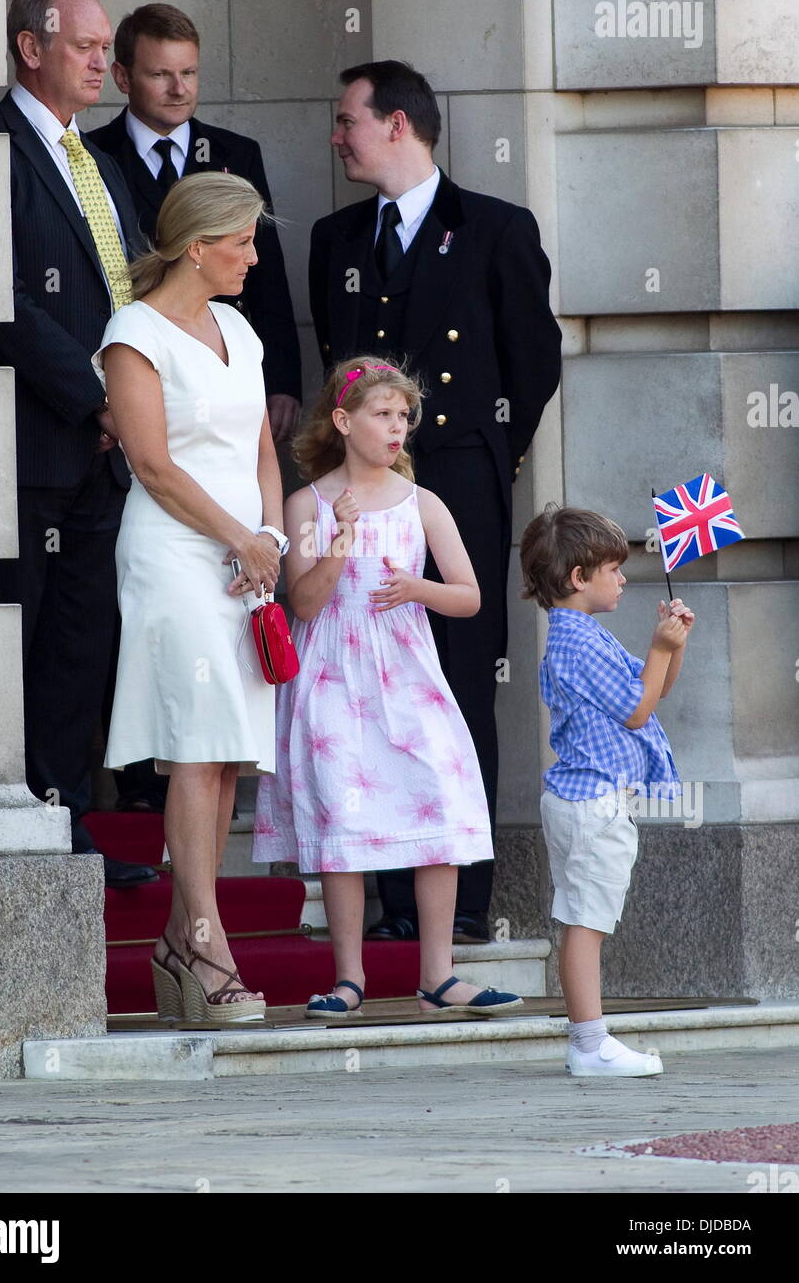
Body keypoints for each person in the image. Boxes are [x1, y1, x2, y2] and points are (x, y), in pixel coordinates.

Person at [310, 60, 562, 943]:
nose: (336, 137)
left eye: (347, 121)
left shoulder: (493, 227)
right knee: (364, 683)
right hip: (361, 494)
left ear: (398, 125)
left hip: (454, 480)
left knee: (454, 682)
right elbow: (337, 374)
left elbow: (533, 361)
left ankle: (464, 906)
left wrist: (489, 458)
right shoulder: (334, 238)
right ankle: (386, 910)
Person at [0, 0, 154, 888]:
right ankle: (15, 820)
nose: (103, 62)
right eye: (85, 45)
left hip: (107, 456)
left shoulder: (102, 162)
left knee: (86, 642)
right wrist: (94, 394)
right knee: (24, 639)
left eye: (107, 46)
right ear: (31, 49)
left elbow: (124, 292)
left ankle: (70, 819)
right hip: (24, 452)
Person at [253, 358, 523, 1018]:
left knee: (436, 796)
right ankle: (349, 977)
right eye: (381, 414)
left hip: (406, 678)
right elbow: (307, 604)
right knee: (344, 815)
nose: (396, 427)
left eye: (403, 415)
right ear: (343, 422)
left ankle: (439, 972)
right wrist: (340, 543)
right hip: (332, 679)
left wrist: (415, 588)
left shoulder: (421, 503)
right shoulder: (306, 503)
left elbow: (468, 596)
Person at [93, 171, 287, 1024]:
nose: (252, 256)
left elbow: (263, 451)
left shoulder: (238, 327)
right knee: (193, 746)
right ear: (198, 245)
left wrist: (271, 540)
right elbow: (153, 465)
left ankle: (183, 941)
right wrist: (237, 538)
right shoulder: (134, 331)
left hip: (244, 563)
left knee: (225, 755)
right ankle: (207, 946)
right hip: (175, 554)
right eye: (241, 241)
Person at [520, 506, 694, 1076]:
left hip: (589, 800)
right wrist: (661, 648)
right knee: (586, 924)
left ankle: (589, 1042)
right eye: (614, 568)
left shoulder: (583, 634)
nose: (622, 578)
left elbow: (651, 691)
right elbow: (639, 712)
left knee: (584, 919)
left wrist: (672, 644)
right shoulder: (576, 642)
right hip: (593, 803)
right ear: (577, 578)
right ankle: (590, 1045)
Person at [88, 2, 301, 439]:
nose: (179, 88)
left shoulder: (236, 154)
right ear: (123, 77)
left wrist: (282, 381)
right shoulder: (93, 156)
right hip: (134, 356)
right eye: (160, 74)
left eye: (189, 73)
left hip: (220, 360)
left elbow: (268, 274)